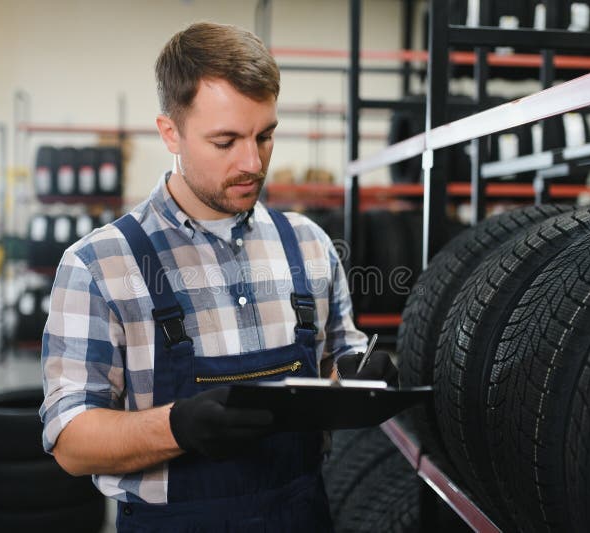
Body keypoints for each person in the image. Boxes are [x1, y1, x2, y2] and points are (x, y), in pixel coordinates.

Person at [40, 21, 398, 532]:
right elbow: (71, 442)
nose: (252, 162)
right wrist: (176, 427)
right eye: (225, 141)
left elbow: (336, 367)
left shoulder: (310, 246)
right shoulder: (99, 265)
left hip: (301, 513)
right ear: (171, 133)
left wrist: (362, 379)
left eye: (265, 136)